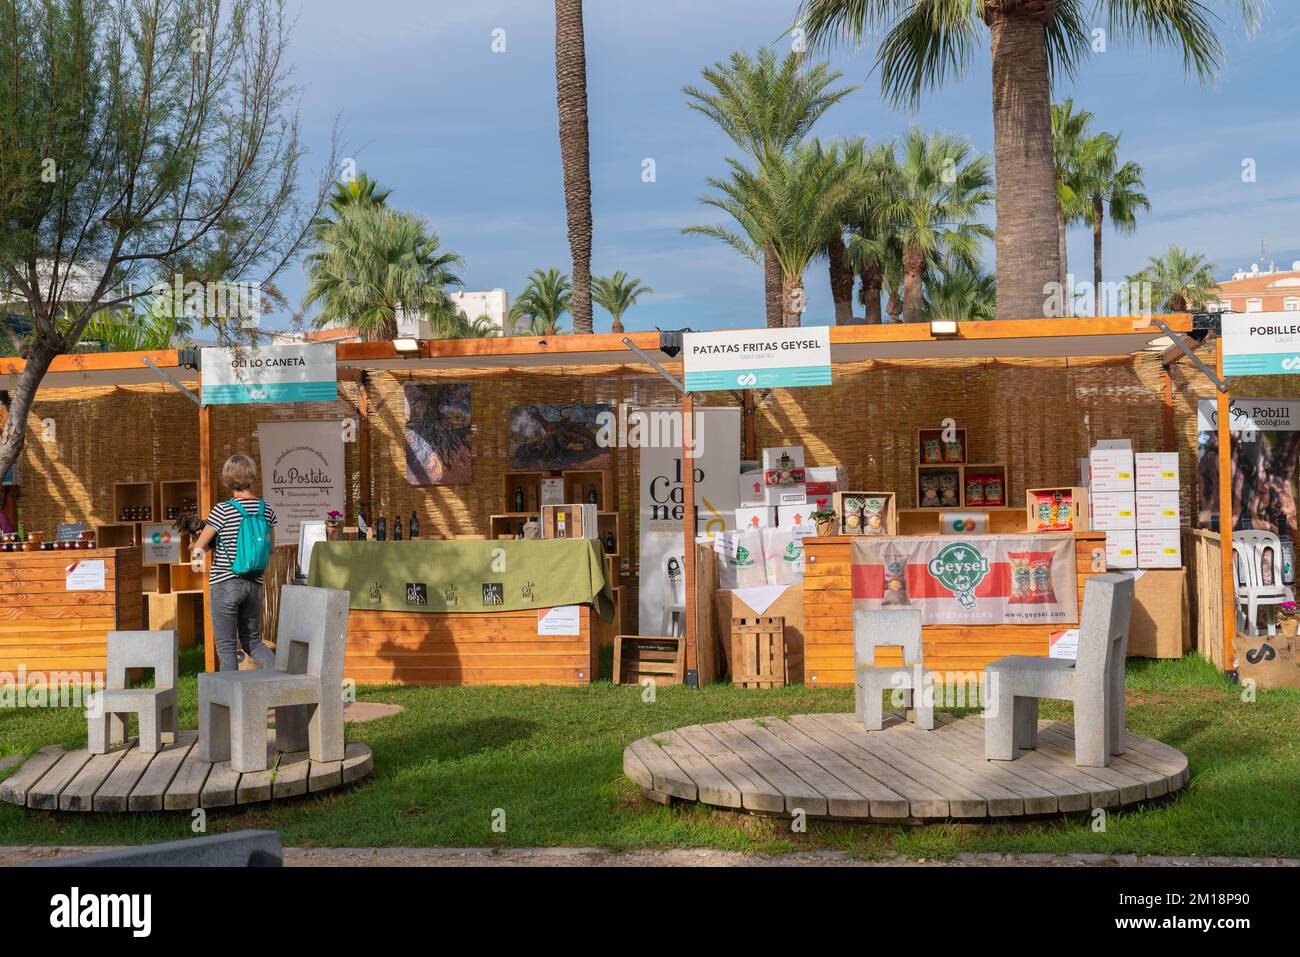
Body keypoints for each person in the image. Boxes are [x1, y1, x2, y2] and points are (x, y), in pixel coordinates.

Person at [189, 454, 277, 672]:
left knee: (226, 647)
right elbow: (271, 548)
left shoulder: (222, 510)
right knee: (253, 642)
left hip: (225, 584)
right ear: (251, 477)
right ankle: (287, 679)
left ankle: (230, 704)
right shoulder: (265, 509)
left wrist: (195, 546)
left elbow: (198, 549)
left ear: (227, 479)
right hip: (254, 584)